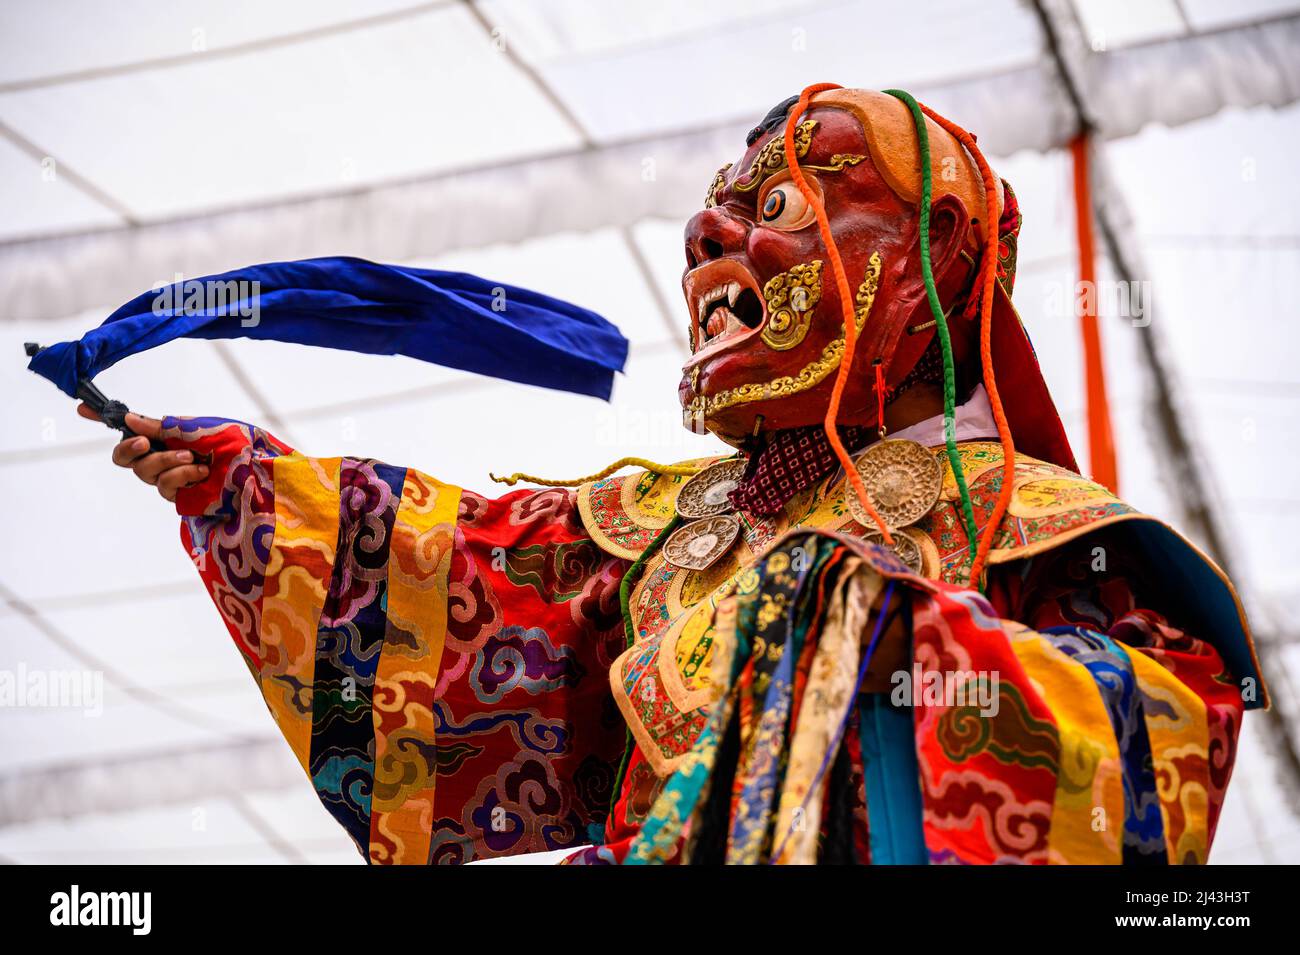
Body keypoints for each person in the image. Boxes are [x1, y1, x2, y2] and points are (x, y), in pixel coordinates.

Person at [84, 86, 1262, 865]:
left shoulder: (1038, 527)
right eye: (716, 213)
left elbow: (1167, 739)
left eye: (789, 204)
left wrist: (907, 640)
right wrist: (239, 486)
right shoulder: (671, 524)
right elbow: (458, 579)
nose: (709, 240)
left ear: (938, 250)